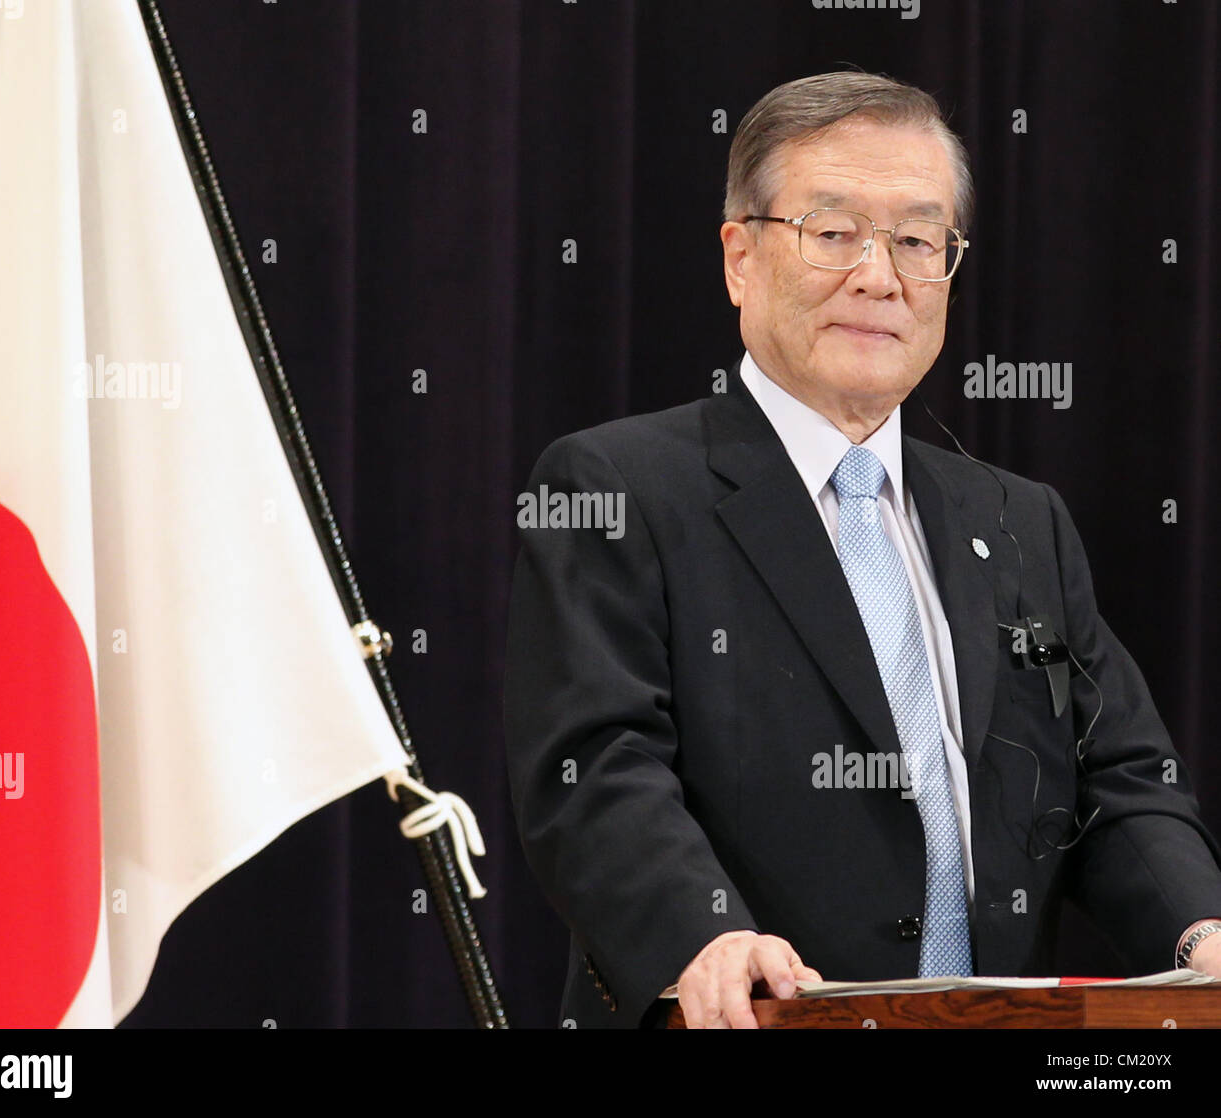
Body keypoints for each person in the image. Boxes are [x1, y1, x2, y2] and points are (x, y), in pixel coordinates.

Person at [503, 71, 1221, 1030]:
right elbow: (597, 765)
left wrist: (1199, 935)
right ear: (740, 258)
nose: (879, 276)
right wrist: (702, 935)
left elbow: (1116, 780)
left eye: (919, 240)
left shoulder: (1018, 520)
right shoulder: (613, 487)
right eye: (833, 232)